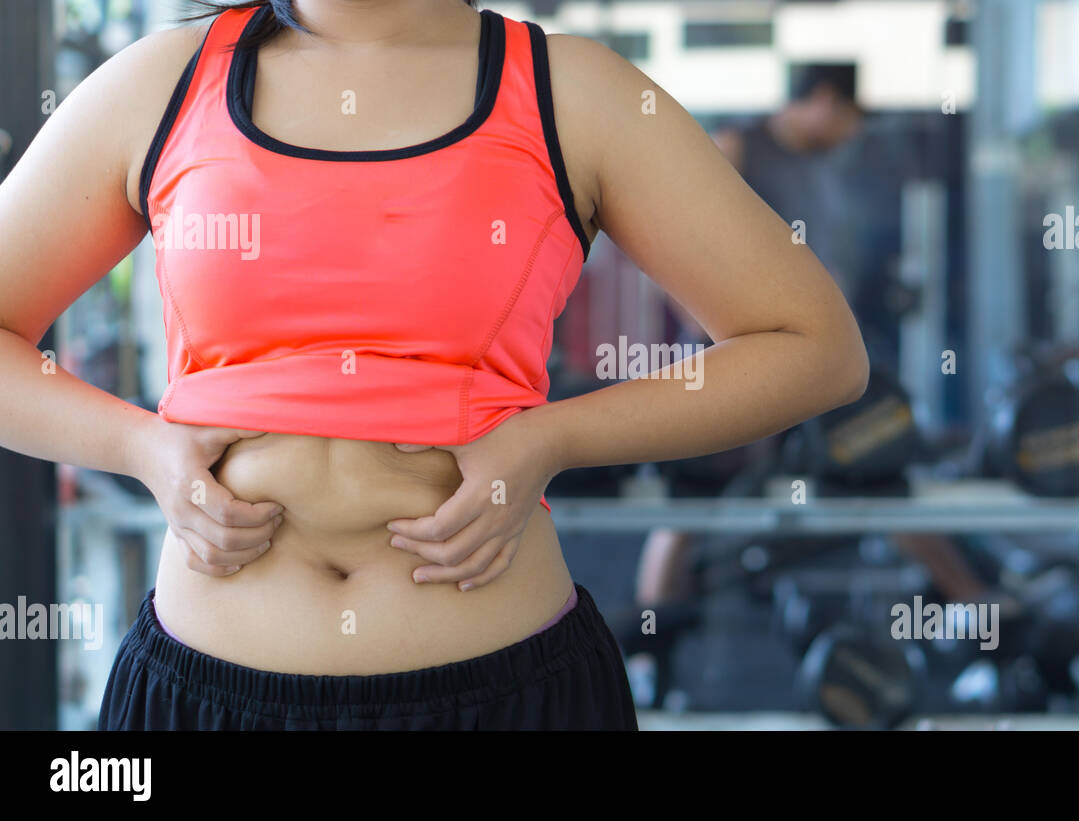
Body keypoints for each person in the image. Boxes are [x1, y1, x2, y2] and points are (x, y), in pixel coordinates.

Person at [0, 0, 867, 730]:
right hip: (205, 694)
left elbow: (814, 346)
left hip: (505, 689)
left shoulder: (573, 92)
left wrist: (552, 438)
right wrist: (144, 449)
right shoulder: (163, 82)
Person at [636, 63, 875, 608]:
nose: (853, 133)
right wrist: (700, 318)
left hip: (808, 358)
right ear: (824, 99)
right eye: (851, 118)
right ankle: (653, 639)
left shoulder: (818, 166)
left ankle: (967, 595)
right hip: (730, 356)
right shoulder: (737, 147)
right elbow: (664, 236)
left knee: (869, 468)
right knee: (690, 507)